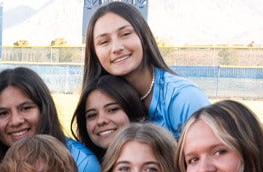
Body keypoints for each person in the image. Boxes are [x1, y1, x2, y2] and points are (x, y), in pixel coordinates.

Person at [83, 2, 209, 138]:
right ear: (94, 52)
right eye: (104, 42)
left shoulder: (184, 98)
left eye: (125, 34)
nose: (116, 48)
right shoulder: (97, 100)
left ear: (144, 38)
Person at [0, 67, 101, 172]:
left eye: (26, 108)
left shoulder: (82, 165)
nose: (16, 121)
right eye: (3, 113)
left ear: (44, 109)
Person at [71, 74, 147, 161]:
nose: (101, 120)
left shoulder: (158, 159)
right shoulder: (80, 166)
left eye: (112, 109)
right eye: (92, 115)